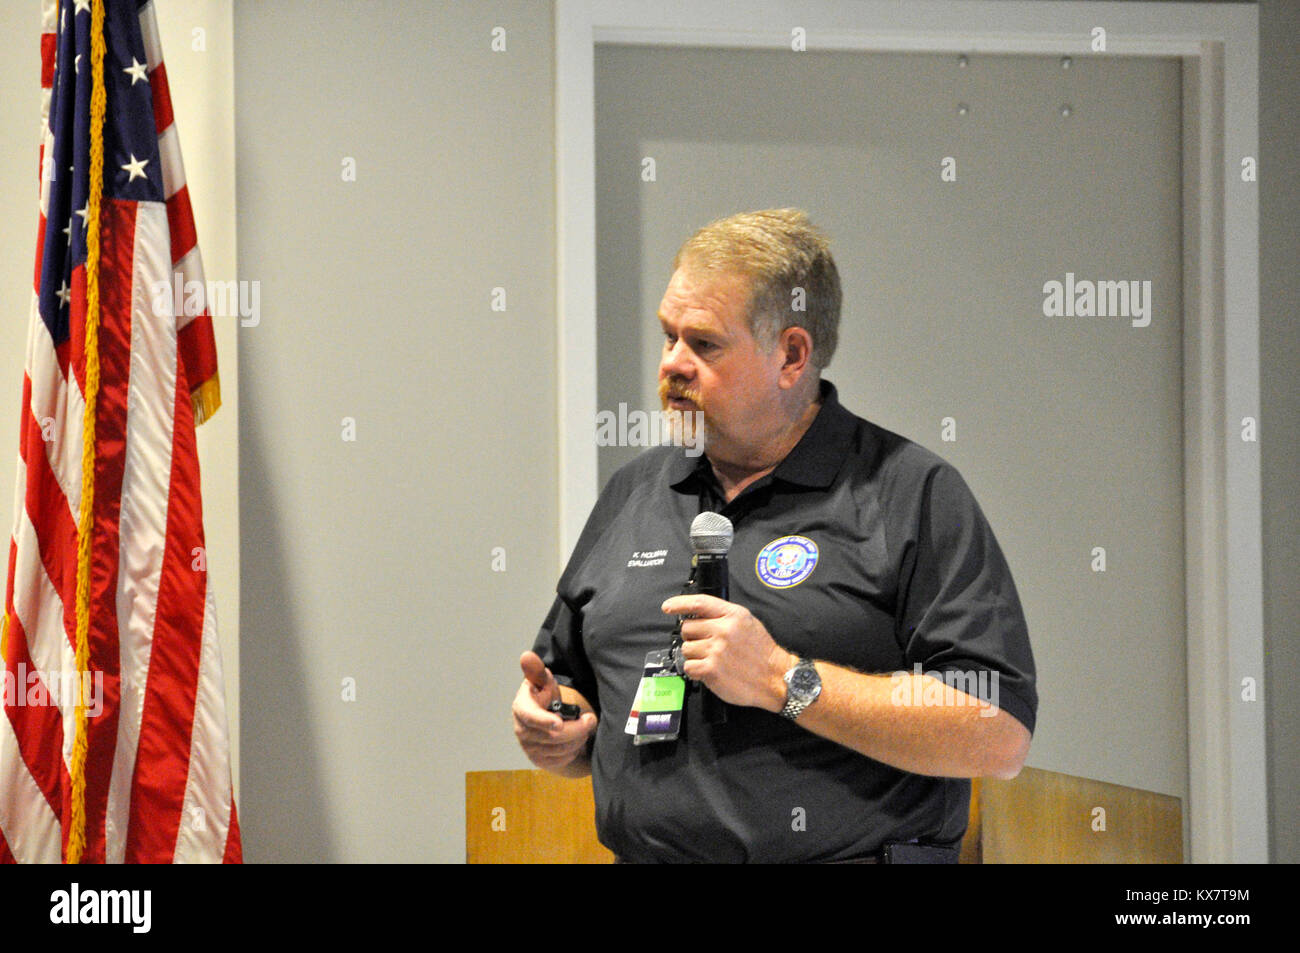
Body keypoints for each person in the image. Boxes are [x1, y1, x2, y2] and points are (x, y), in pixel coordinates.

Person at [512, 209, 1037, 863]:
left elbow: (997, 733)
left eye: (703, 344)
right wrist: (556, 726)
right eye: (668, 336)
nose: (672, 364)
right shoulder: (633, 493)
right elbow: (576, 694)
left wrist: (781, 679)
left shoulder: (907, 492)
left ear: (791, 355)